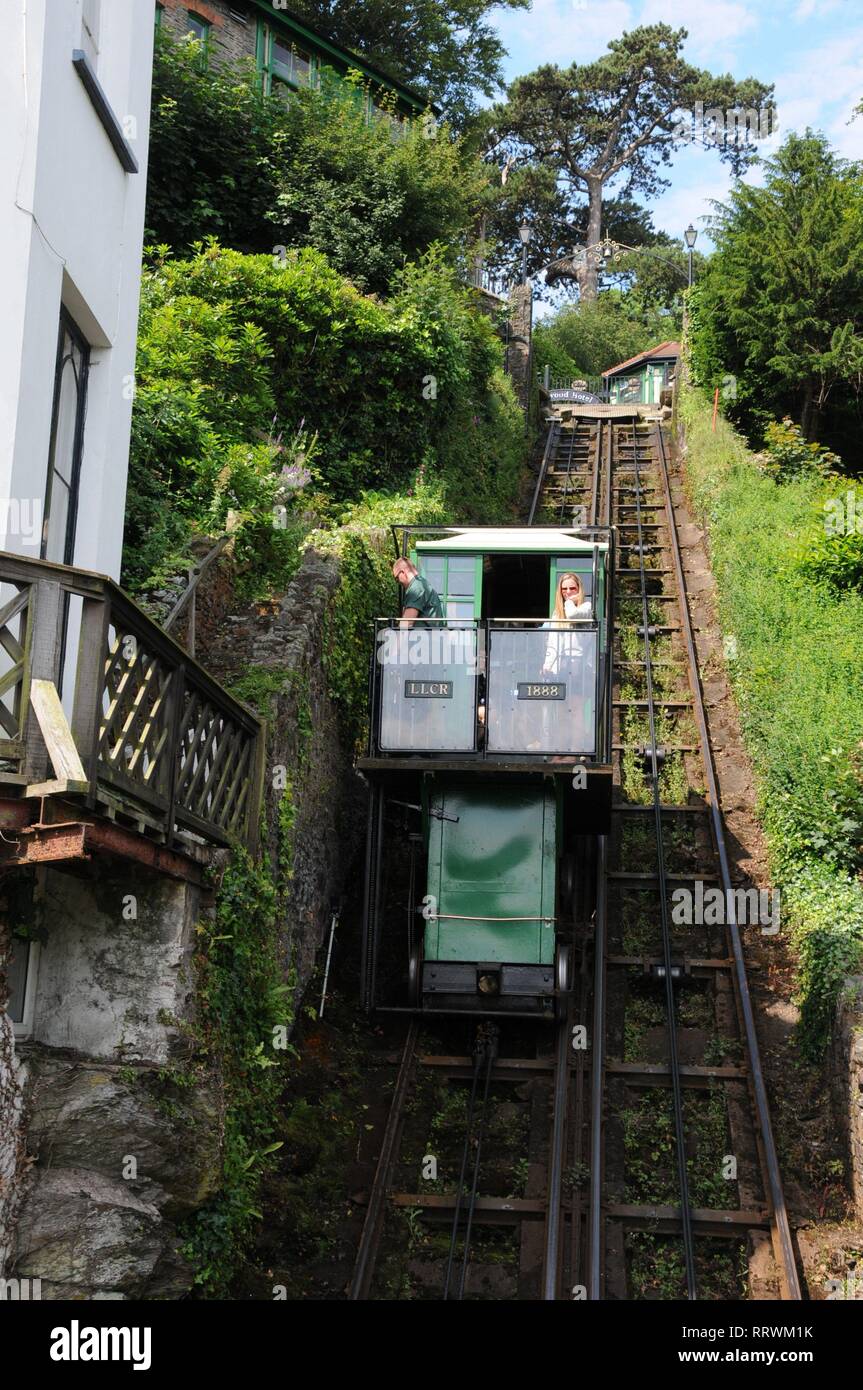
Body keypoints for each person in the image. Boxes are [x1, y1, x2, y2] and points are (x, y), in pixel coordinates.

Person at [392, 557, 444, 626]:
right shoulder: (422, 584)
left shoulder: (416, 588)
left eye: (397, 578)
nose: (398, 582)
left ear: (403, 572)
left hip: (424, 636)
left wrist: (396, 635)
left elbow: (406, 623)